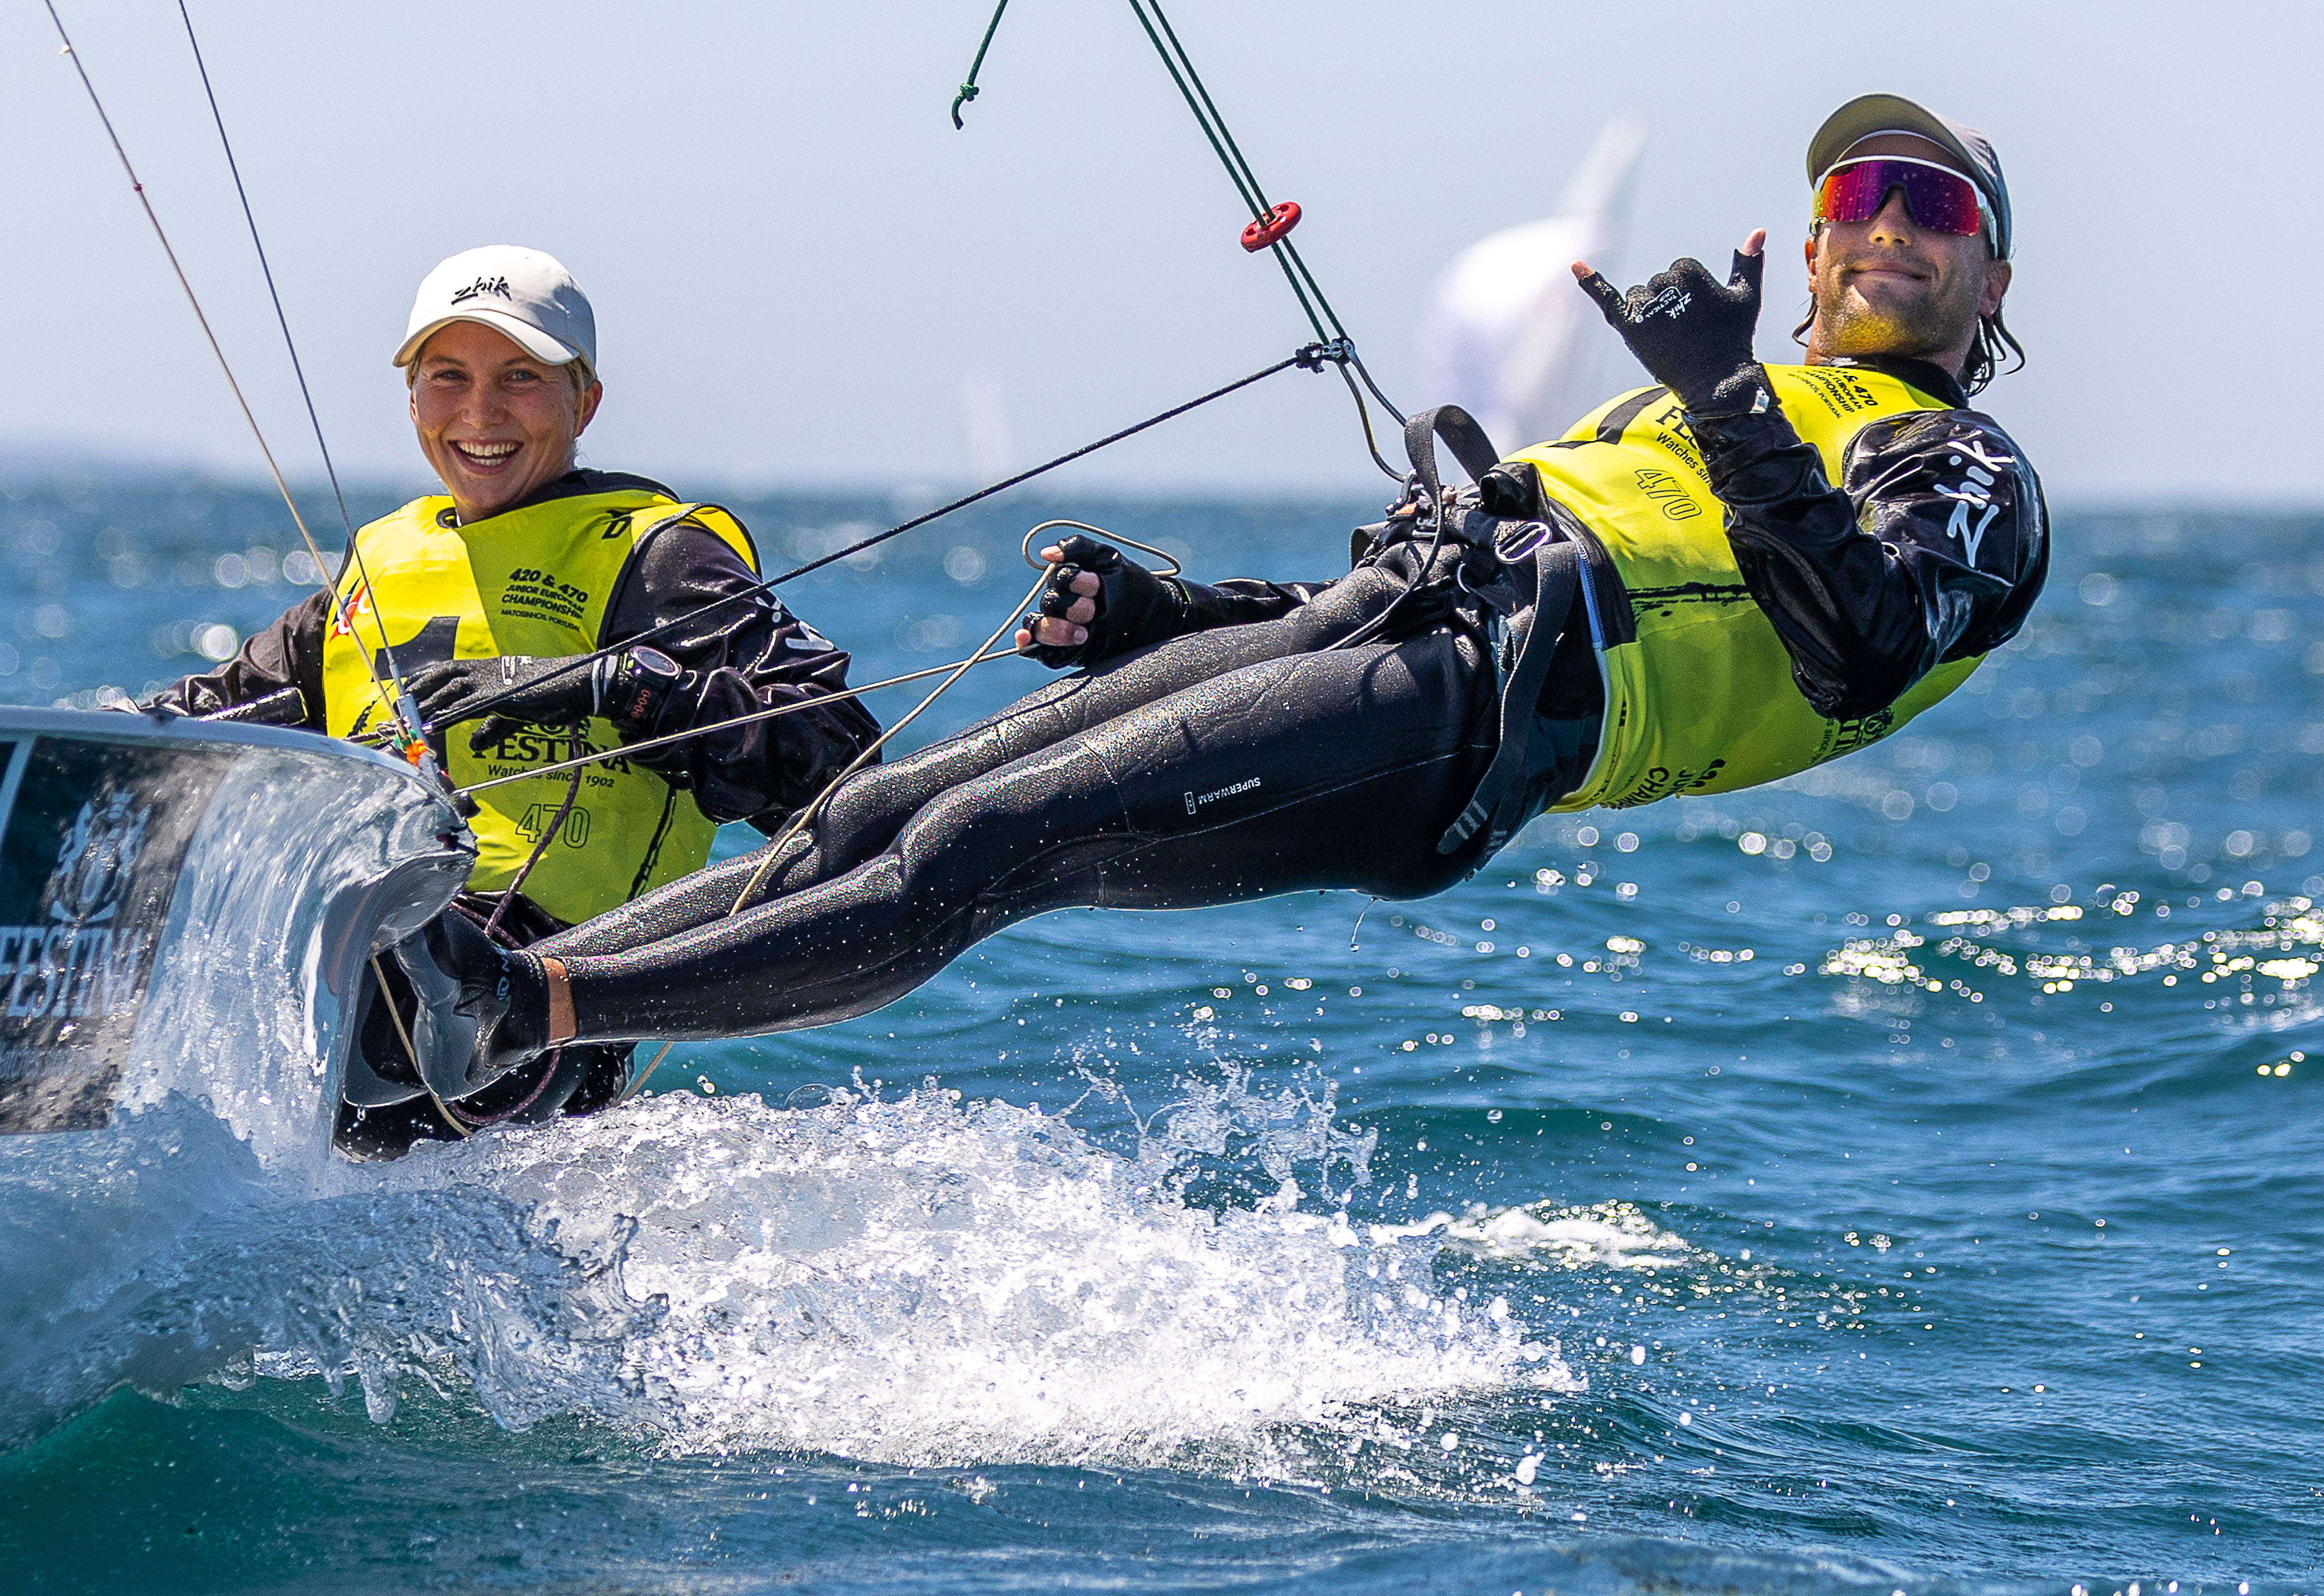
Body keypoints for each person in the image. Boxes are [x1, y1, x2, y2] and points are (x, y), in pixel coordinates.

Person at [392, 94, 2047, 1090]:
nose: (1885, 226)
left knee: (977, 853)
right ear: (1817, 245)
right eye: (1857, 198)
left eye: (1934, 208)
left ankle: (520, 1007)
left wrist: (1732, 394)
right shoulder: (1697, 405)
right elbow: (1439, 563)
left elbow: (1863, 648)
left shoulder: (1961, 463)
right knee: (876, 805)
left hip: (1483, 721)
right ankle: (489, 1012)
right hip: (1396, 630)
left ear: (1988, 276)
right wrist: (1171, 620)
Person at [151, 244, 878, 1148]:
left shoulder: (656, 556)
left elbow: (842, 760)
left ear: (586, 400)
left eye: (521, 378)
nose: (479, 413)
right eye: (446, 377)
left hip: (531, 1003)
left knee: (387, 960)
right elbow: (209, 716)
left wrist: (610, 688)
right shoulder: (380, 561)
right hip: (351, 962)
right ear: (412, 399)